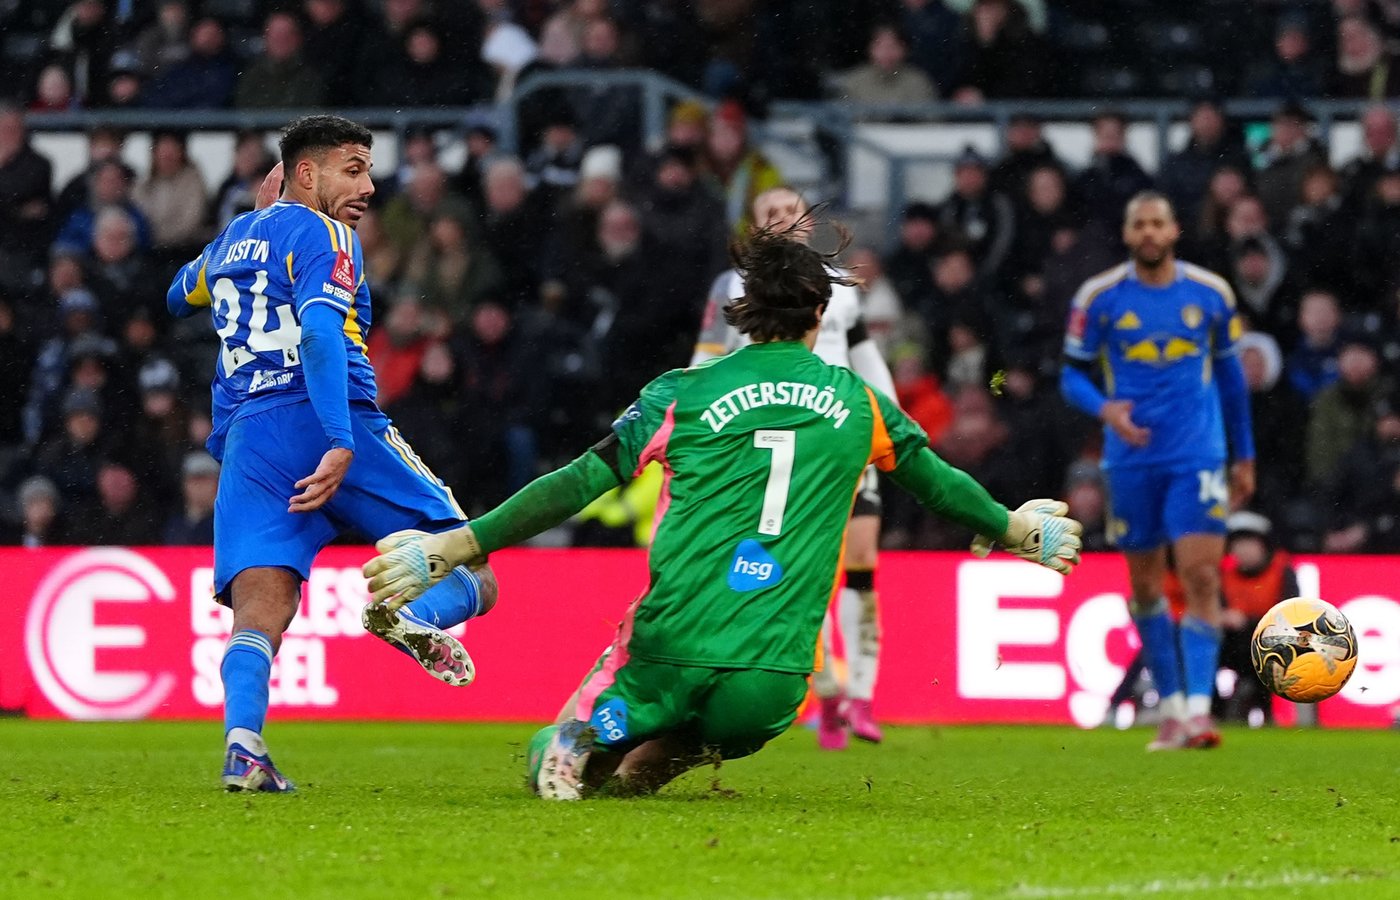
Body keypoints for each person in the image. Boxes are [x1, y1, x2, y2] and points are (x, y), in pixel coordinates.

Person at [362, 218, 1083, 800]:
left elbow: (576, 484)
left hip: (667, 651)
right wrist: (1016, 529)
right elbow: (940, 485)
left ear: (741, 311)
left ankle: (581, 744)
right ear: (820, 313)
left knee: (552, 755)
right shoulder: (862, 406)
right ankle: (657, 762)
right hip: (773, 679)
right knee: (690, 749)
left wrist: (457, 544)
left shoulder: (683, 392)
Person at [166, 115, 499, 793]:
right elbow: (320, 334)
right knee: (475, 566)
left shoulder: (234, 237)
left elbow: (178, 295)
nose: (370, 186)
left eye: (369, 170)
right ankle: (408, 615)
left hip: (251, 439)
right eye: (354, 169)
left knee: (260, 613)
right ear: (307, 174)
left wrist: (256, 222)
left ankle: (244, 747)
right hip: (331, 420)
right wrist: (342, 440)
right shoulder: (328, 235)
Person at [691, 187, 899, 750]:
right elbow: (707, 358)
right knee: (801, 569)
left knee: (862, 564)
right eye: (770, 215)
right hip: (776, 441)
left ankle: (861, 695)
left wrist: (893, 421)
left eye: (791, 212)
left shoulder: (840, 288)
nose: (783, 221)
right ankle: (826, 689)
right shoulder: (733, 288)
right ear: (756, 229)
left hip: (843, 434)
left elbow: (865, 357)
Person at [1059, 191, 1255, 751]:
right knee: (1145, 584)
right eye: (1139, 223)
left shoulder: (1211, 293)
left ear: (1174, 233)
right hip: (1130, 458)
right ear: (1127, 235)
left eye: (1158, 224)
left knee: (1199, 576)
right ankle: (1169, 709)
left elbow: (1232, 381)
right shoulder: (1098, 298)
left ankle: (1198, 710)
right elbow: (1071, 376)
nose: (1148, 232)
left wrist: (1245, 455)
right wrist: (1106, 409)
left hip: (1198, 454)